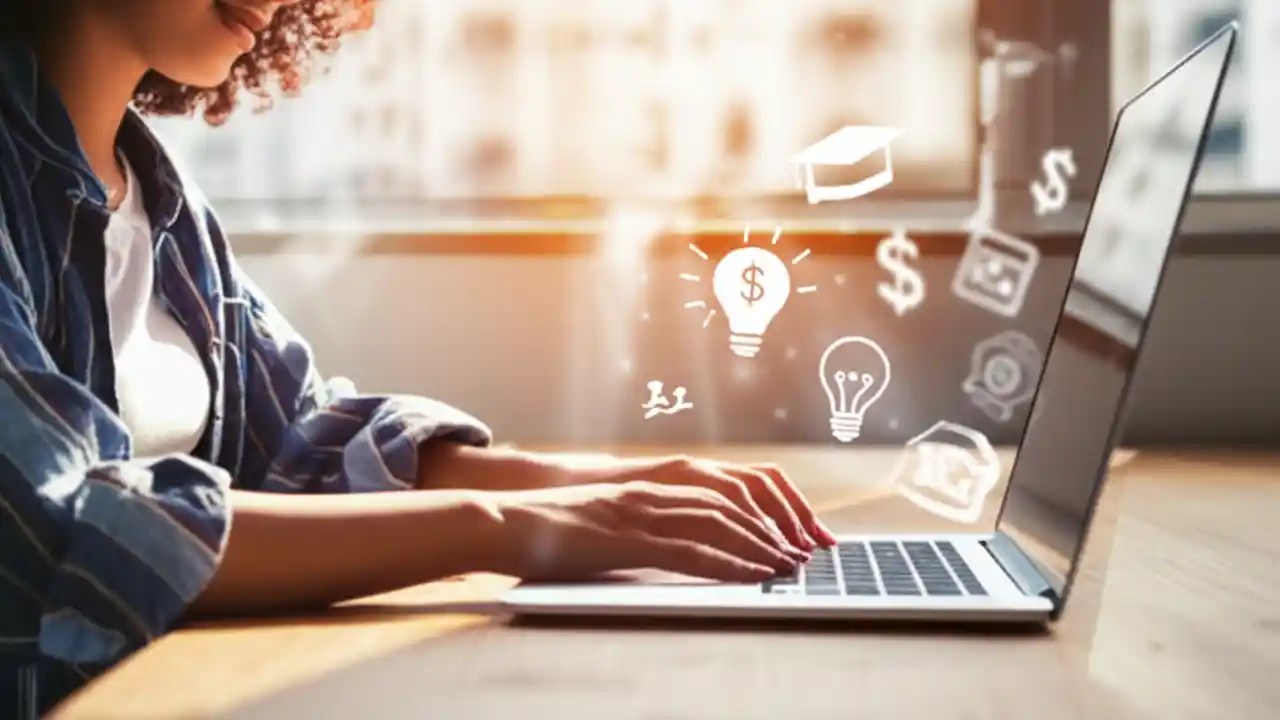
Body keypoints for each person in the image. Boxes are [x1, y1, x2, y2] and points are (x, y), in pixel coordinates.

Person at [0, 0, 834, 712]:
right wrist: (503, 530)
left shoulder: (160, 198)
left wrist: (609, 488)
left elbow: (296, 447)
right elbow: (55, 523)